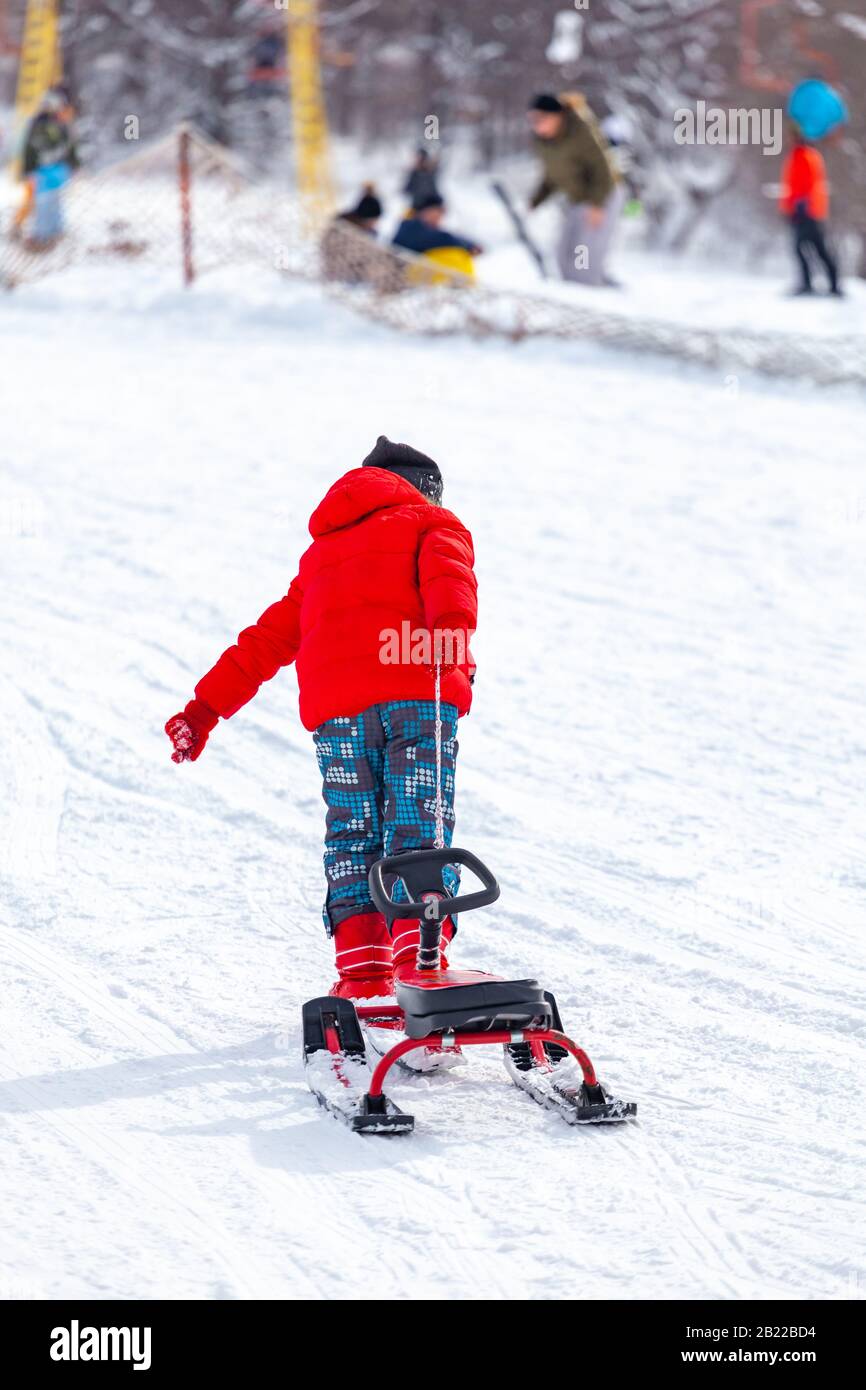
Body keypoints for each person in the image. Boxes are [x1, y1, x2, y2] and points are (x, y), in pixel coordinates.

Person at [165, 438, 478, 1002]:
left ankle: (363, 975)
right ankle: (420, 959)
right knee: (417, 825)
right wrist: (451, 634)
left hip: (339, 716)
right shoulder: (434, 523)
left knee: (353, 833)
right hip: (416, 693)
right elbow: (450, 587)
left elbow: (265, 641)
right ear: (422, 488)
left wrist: (204, 709)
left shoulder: (322, 555)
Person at [526, 92, 624, 287]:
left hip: (602, 195)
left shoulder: (580, 130)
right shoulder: (544, 141)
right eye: (532, 119)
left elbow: (602, 167)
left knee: (583, 258)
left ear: (557, 116)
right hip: (578, 199)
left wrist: (597, 205)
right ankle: (579, 294)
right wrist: (534, 201)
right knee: (563, 254)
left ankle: (594, 300)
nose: (536, 124)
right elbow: (552, 176)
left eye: (541, 119)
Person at [779, 129, 841, 296]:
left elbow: (808, 183)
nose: (788, 140)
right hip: (804, 210)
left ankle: (818, 284)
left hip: (808, 211)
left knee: (807, 248)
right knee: (811, 247)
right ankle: (827, 284)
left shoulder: (805, 156)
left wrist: (801, 205)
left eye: (790, 136)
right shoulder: (798, 155)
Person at [20, 86, 79, 247]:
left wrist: (74, 164)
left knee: (56, 201)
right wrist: (27, 170)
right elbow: (29, 149)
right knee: (44, 202)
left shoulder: (61, 124)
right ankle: (42, 235)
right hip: (42, 170)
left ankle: (55, 232)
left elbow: (70, 145)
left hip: (58, 169)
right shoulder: (37, 124)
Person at [319, 184, 395, 287]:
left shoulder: (367, 231)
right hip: (341, 277)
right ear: (366, 218)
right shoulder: (345, 230)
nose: (375, 224)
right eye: (373, 221)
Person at [392, 193, 482, 279]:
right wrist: (467, 247)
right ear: (426, 211)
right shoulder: (411, 226)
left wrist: (468, 246)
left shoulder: (425, 228)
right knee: (454, 256)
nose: (439, 217)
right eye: (437, 212)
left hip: (417, 273)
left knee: (457, 255)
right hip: (404, 274)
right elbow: (443, 238)